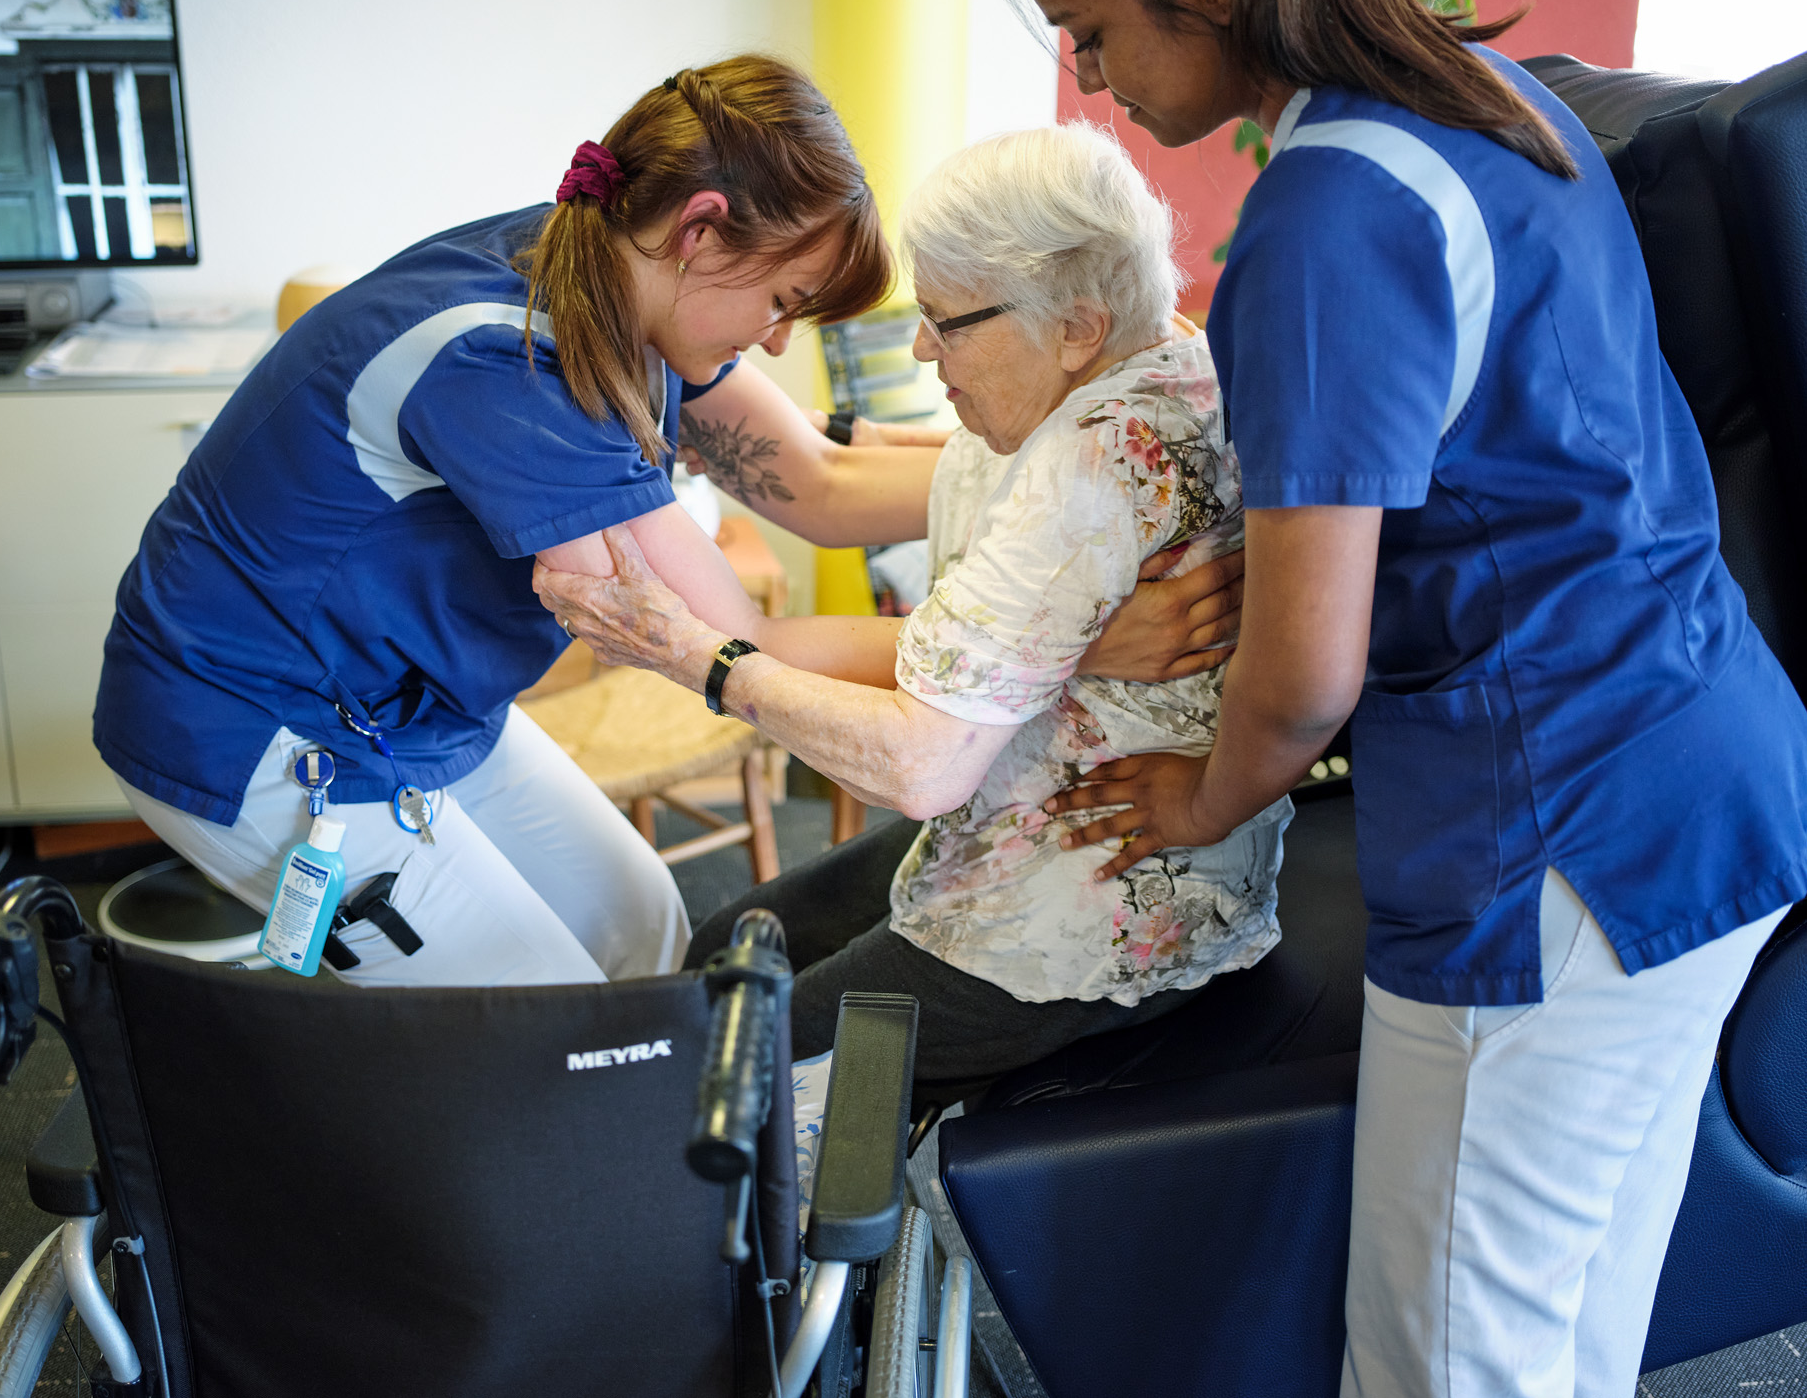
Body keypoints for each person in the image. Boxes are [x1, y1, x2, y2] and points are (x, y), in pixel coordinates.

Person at [992, 0, 1807, 1396]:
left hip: (1558, 837)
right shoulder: (1487, 90)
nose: (1087, 70)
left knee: (1446, 1358)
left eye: (1089, 28)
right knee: (1568, 1325)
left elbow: (1304, 675)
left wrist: (1197, 799)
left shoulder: (1323, 214)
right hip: (1706, 748)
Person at [98, 52, 1240, 990]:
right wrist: (1063, 642)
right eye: (783, 301)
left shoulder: (618, 278)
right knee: (538, 1019)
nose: (783, 339)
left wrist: (1060, 452)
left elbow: (824, 489)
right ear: (703, 231)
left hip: (422, 705)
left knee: (641, 936)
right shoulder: (502, 367)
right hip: (260, 727)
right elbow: (743, 644)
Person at [537, 122, 1289, 1081]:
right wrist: (1074, 649)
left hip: (1072, 902)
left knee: (715, 1053)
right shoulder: (1165, 352)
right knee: (733, 940)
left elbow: (918, 762)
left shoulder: (1086, 464)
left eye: (947, 320)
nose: (924, 350)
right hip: (1037, 821)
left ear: (1076, 325)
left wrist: (699, 656)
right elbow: (837, 478)